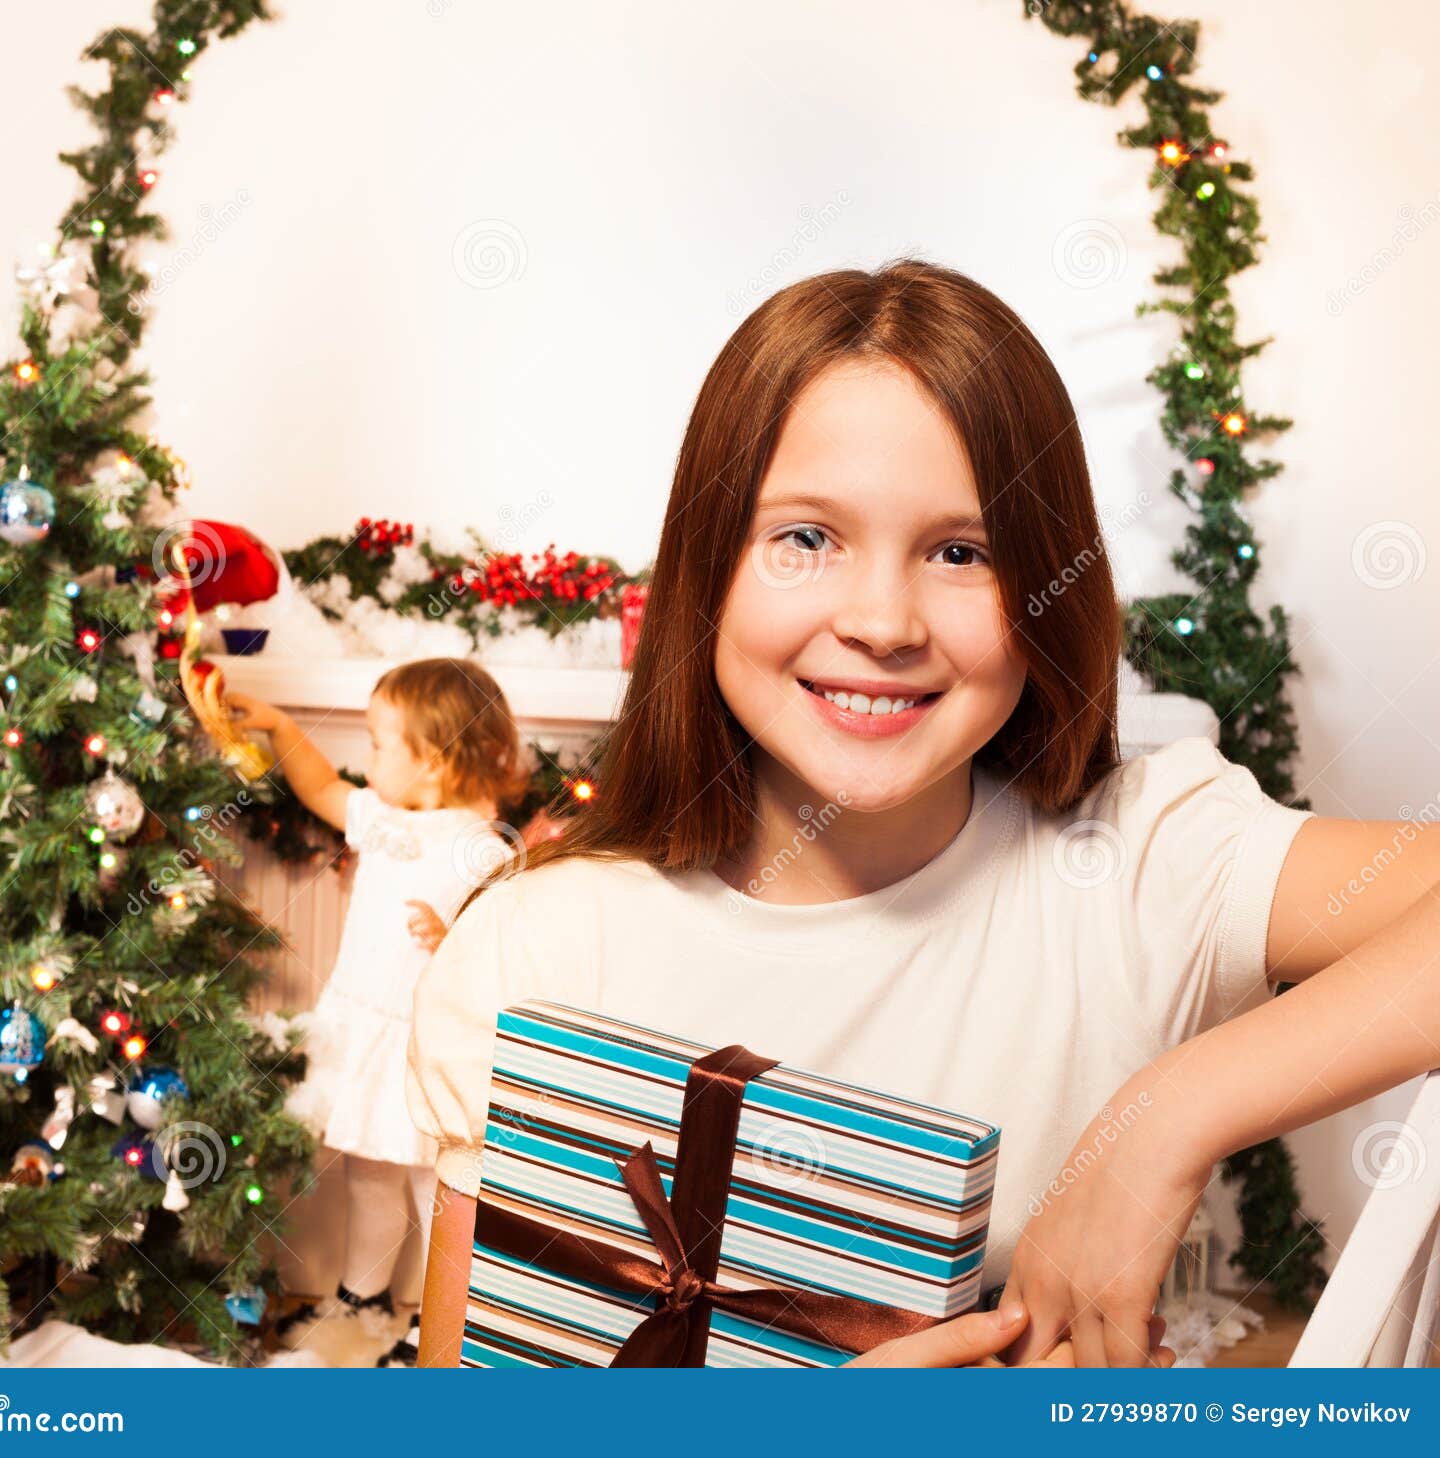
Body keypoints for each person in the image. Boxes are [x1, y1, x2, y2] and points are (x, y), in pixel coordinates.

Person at [405, 257, 1440, 1368]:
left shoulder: (1143, 861)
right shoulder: (541, 948)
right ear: (707, 572)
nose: (883, 621)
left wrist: (1173, 1112)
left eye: (962, 551)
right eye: (803, 538)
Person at [228, 657, 526, 1365]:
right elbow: (320, 787)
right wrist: (278, 727)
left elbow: (507, 957)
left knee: (441, 1192)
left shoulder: (481, 849)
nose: (367, 757)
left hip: (427, 1051)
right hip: (363, 1032)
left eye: (380, 742)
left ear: (435, 761)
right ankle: (363, 1304)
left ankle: (446, 1333)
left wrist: (451, 939)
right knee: (369, 1175)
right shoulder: (386, 822)